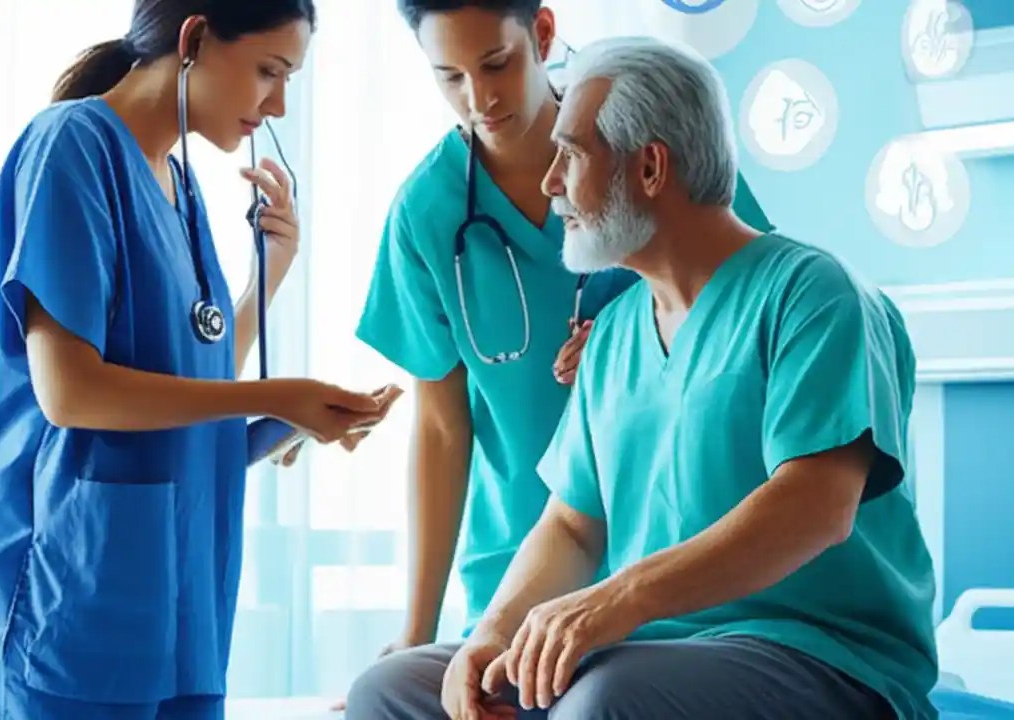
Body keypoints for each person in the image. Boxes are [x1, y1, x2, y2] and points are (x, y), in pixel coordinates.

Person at [347, 36, 939, 720]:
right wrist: (494, 633)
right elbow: (573, 526)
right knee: (391, 691)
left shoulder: (814, 296)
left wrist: (620, 598)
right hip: (651, 650)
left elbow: (816, 505)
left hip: (818, 655)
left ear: (650, 167)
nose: (550, 183)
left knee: (602, 702)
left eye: (571, 156)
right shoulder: (614, 334)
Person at [0, 2, 401, 718]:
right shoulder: (72, 145)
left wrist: (270, 285)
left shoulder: (176, 181)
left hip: (163, 603)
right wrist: (277, 395)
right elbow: (71, 393)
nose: (278, 105)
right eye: (269, 71)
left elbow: (190, 384)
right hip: (58, 599)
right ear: (194, 38)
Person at [351, 0, 777, 673]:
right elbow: (440, 429)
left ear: (543, 33)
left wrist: (640, 330)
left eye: (497, 64)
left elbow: (747, 291)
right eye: (450, 76)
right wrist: (417, 628)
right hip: (520, 567)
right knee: (398, 688)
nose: (478, 100)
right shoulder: (427, 211)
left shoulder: (647, 144)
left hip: (669, 560)